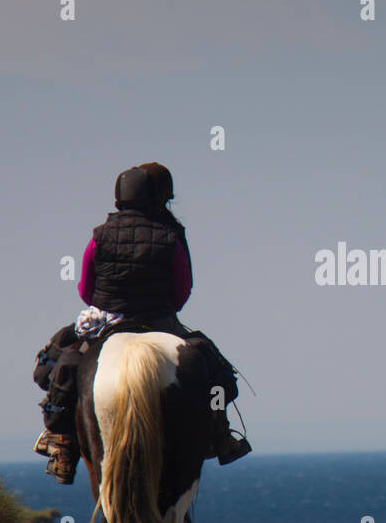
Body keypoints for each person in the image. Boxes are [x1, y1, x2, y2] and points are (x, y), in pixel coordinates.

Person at [32, 162, 250, 483]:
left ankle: (61, 441)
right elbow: (182, 290)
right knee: (212, 367)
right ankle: (220, 435)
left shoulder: (98, 236)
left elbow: (85, 288)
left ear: (119, 198)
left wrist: (108, 305)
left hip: (107, 320)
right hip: (159, 320)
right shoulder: (171, 237)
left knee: (62, 361)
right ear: (159, 199)